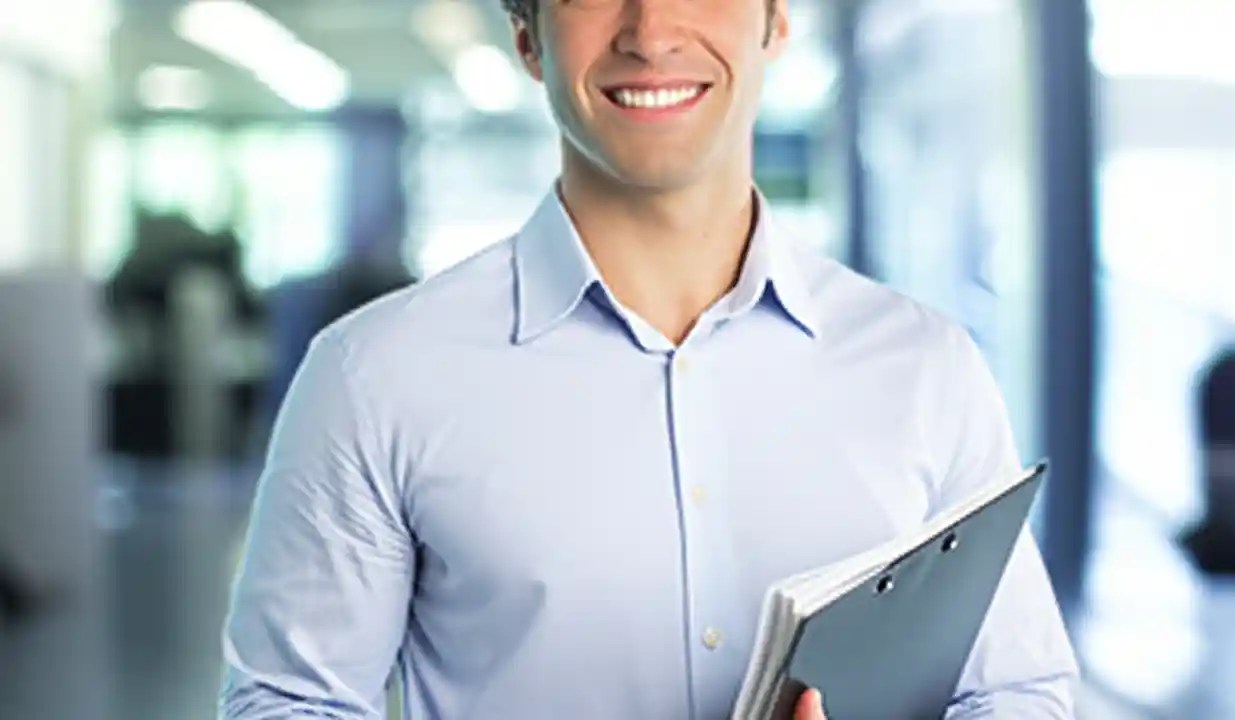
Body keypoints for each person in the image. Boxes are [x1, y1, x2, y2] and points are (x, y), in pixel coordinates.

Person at [219, 0, 1079, 717]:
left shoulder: (926, 368)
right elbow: (293, 703)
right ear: (527, 34)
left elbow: (1016, 691)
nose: (650, 32)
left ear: (776, 17)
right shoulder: (375, 377)